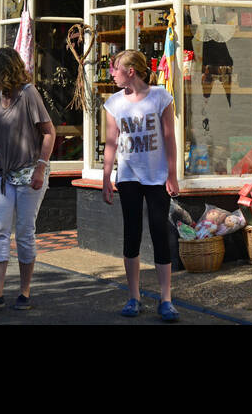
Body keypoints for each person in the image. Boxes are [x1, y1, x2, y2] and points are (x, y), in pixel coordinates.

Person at [0, 47, 55, 312]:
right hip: (2, 175)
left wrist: (41, 167)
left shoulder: (29, 94)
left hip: (30, 173)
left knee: (25, 232)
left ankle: (24, 292)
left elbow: (49, 132)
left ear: (4, 71)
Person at [101, 49, 180, 321]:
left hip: (157, 176)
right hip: (128, 177)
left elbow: (169, 138)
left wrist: (172, 174)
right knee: (131, 234)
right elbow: (111, 142)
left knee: (160, 233)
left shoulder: (160, 97)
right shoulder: (114, 103)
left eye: (116, 69)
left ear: (131, 71)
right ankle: (133, 297)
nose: (112, 74)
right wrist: (106, 177)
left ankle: (166, 300)